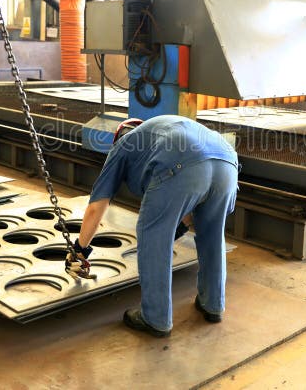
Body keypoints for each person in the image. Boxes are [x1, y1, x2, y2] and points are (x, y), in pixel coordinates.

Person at [65, 115, 239, 338]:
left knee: (153, 234)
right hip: (227, 163)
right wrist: (181, 226)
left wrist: (79, 250)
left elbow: (95, 209)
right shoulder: (161, 130)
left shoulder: (122, 146)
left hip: (183, 164)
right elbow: (193, 194)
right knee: (212, 235)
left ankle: (155, 318)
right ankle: (213, 305)